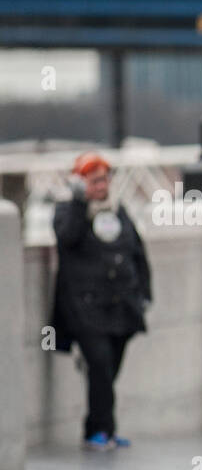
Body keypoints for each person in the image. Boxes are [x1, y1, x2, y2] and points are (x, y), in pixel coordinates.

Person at [50, 153, 152, 451]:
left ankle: (99, 427)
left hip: (121, 306)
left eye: (104, 178)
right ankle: (101, 430)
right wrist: (81, 204)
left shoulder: (118, 211)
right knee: (101, 363)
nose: (101, 185)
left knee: (109, 368)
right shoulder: (68, 211)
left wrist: (145, 292)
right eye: (93, 180)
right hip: (85, 309)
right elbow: (66, 238)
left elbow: (137, 252)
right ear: (80, 183)